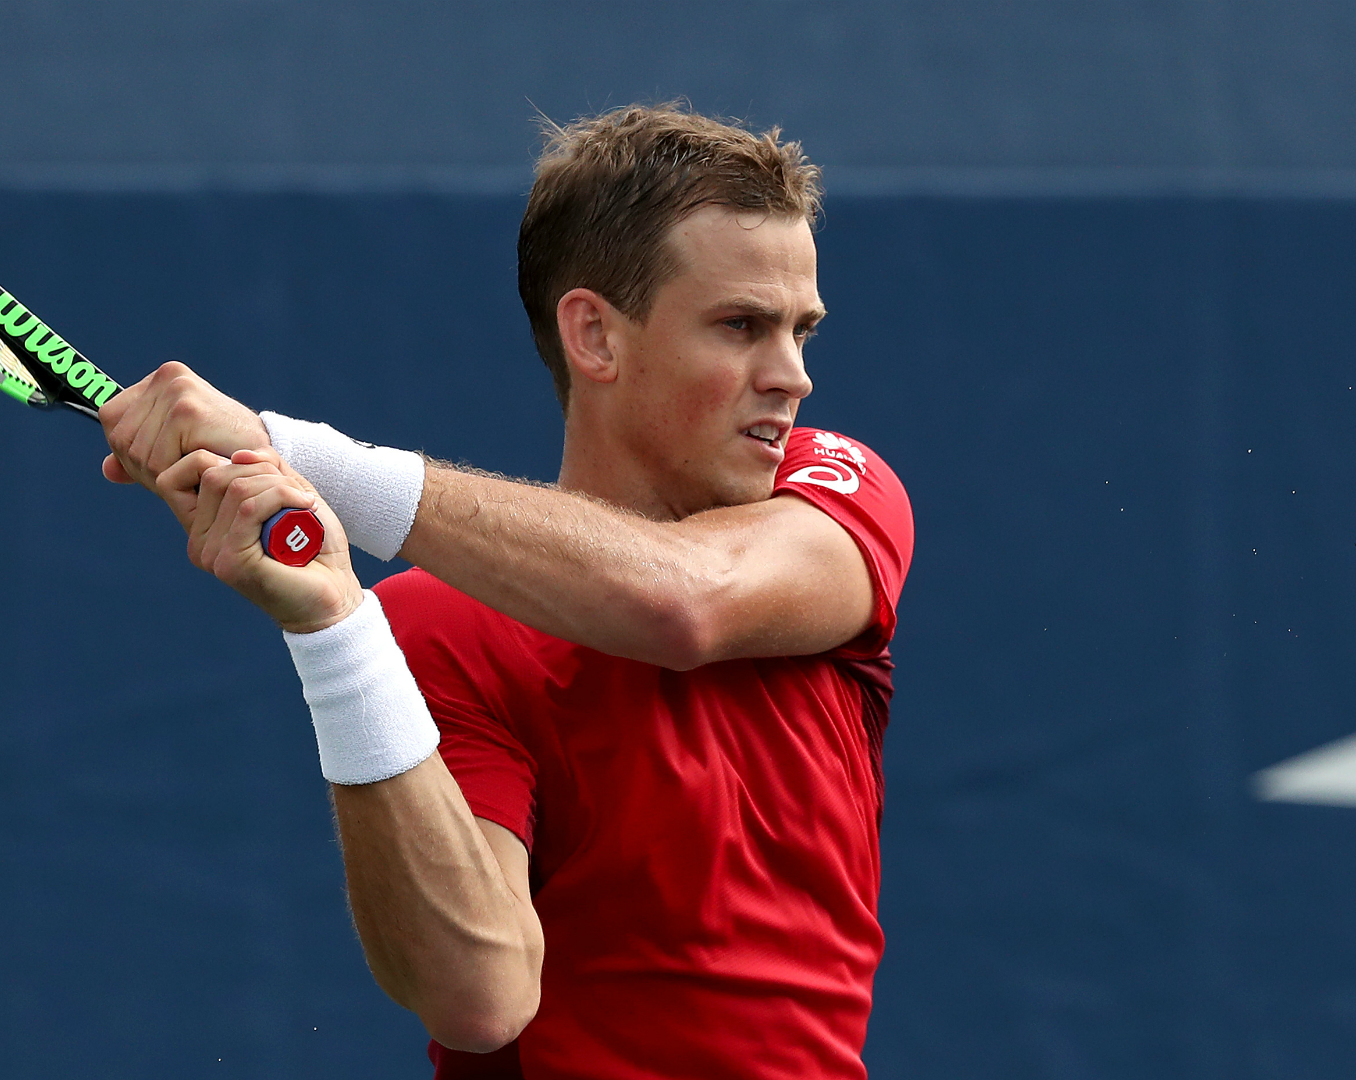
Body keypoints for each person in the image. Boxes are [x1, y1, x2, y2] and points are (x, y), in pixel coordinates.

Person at [98, 103, 914, 1079]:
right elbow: (479, 996)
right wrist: (335, 629)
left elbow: (686, 602)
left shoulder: (835, 496)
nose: (792, 377)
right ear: (595, 339)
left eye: (801, 330)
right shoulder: (436, 630)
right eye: (741, 326)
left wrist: (298, 454)